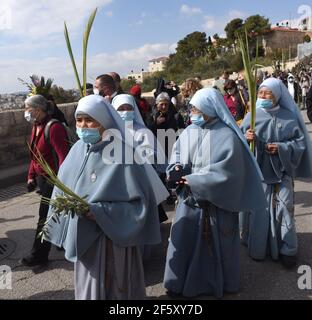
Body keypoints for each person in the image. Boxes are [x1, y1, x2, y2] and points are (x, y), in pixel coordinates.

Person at [44, 95, 165, 300]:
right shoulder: (77, 150)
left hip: (112, 240)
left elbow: (139, 205)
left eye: (90, 119)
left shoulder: (124, 154)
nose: (83, 125)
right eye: (79, 120)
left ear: (104, 121)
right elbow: (62, 189)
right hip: (84, 239)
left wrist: (99, 212)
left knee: (114, 288)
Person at [163, 88, 266, 298]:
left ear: (210, 108)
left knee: (217, 247)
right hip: (188, 203)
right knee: (184, 243)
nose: (192, 112)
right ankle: (178, 282)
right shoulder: (188, 132)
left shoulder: (228, 136)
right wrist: (173, 170)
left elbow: (228, 174)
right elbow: (176, 157)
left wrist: (193, 180)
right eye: (191, 108)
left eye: (196, 109)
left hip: (217, 206)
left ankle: (218, 283)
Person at [240, 78, 312, 268]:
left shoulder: (289, 116)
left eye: (267, 93)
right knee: (260, 212)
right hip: (260, 175)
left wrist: (280, 148)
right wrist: (247, 139)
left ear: (277, 96)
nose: (262, 96)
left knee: (285, 209)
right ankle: (259, 248)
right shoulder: (251, 117)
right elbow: (238, 144)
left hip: (282, 173)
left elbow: (300, 143)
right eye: (260, 93)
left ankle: (288, 250)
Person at [22, 95, 69, 267]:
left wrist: (62, 183)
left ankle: (39, 254)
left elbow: (63, 157)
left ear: (39, 109)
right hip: (42, 179)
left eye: (28, 108)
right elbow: (35, 156)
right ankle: (64, 241)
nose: (25, 112)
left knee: (45, 217)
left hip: (54, 180)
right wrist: (30, 176)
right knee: (58, 213)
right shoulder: (36, 126)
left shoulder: (54, 127)